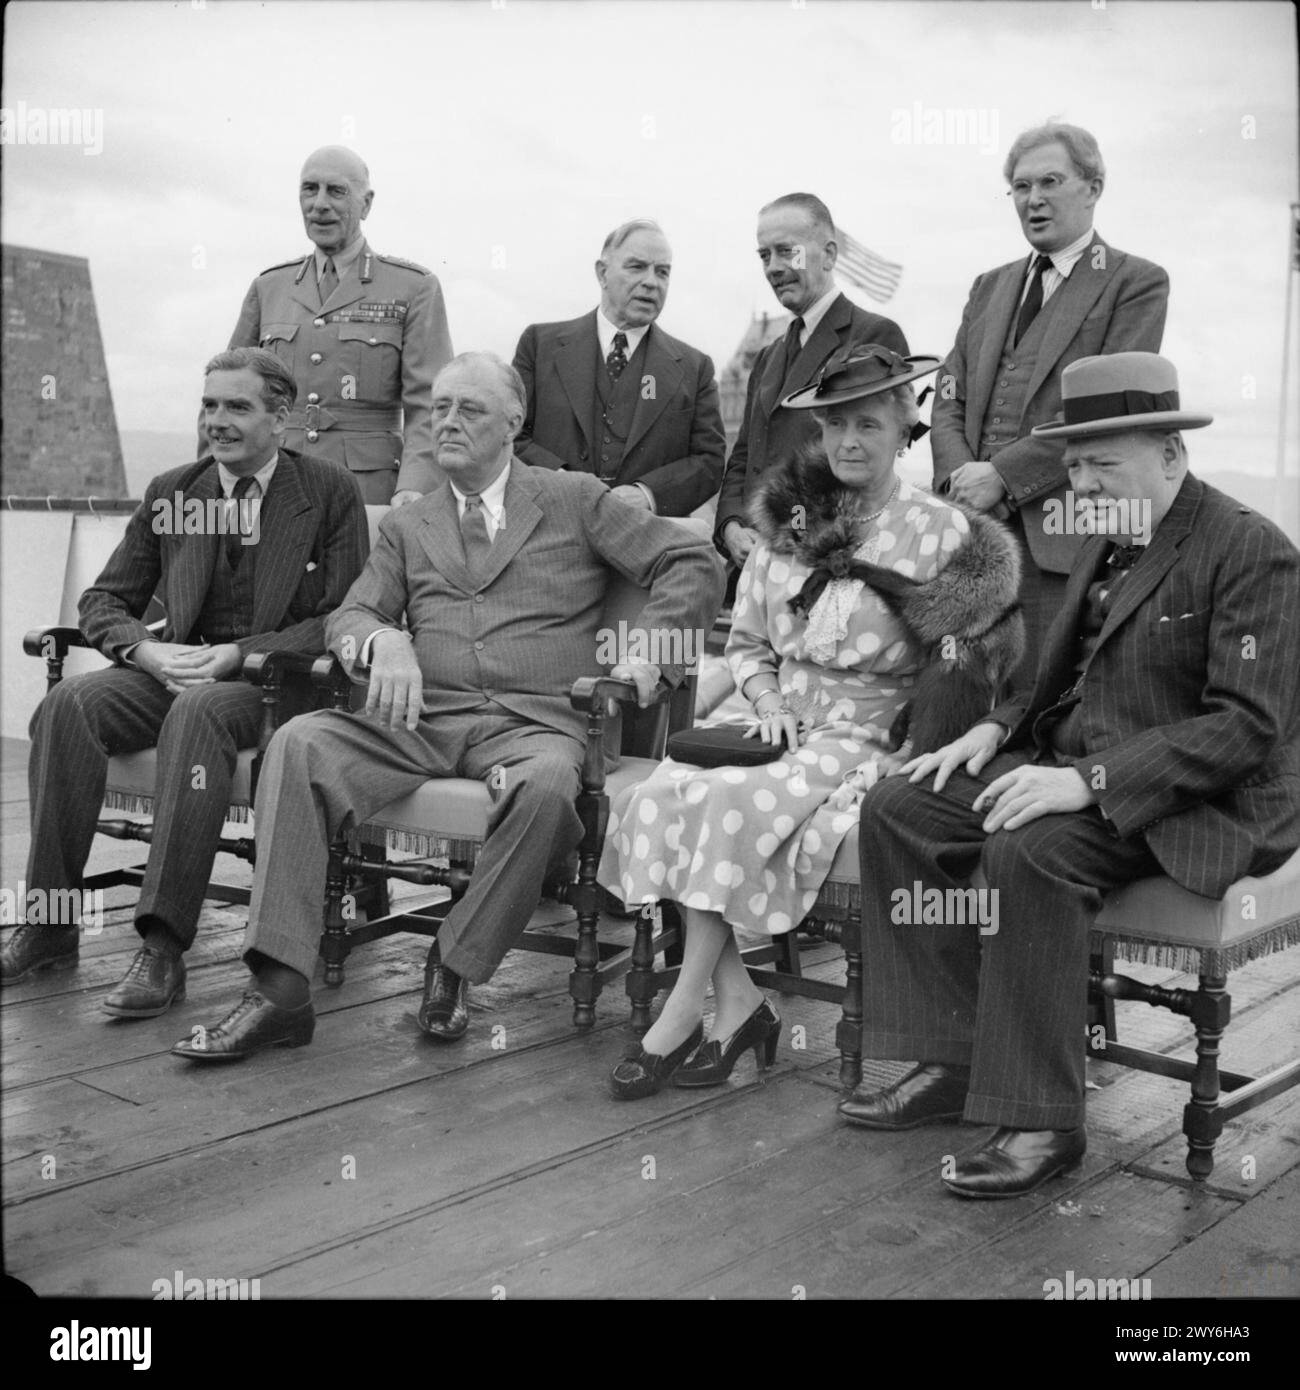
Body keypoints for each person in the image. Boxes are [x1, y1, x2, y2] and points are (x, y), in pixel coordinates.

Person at [172, 352, 724, 1062]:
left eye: (470, 409)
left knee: (550, 788)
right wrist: (382, 642)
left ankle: (454, 962)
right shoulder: (411, 524)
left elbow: (692, 563)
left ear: (514, 423)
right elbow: (352, 613)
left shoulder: (574, 498)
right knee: (301, 743)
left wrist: (648, 651)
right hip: (422, 722)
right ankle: (279, 988)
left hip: (540, 725)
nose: (448, 422)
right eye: (438, 410)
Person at [844, 352, 1300, 1199]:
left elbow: (1246, 727)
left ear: (1171, 453)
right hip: (1071, 763)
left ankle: (1045, 1118)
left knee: (1032, 850)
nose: (1083, 480)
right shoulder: (1107, 535)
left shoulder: (1252, 551)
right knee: (900, 806)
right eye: (1075, 462)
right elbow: (1056, 675)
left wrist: (1088, 780)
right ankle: (950, 1060)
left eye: (1104, 460)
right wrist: (991, 728)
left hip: (1197, 796)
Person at [598, 345, 1023, 1100]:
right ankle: (740, 1004)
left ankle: (679, 1012)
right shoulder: (789, 520)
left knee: (726, 804)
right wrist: (763, 705)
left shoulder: (942, 533)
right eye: (835, 427)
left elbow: (962, 667)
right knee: (661, 793)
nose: (850, 443)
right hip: (771, 716)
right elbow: (750, 642)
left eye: (868, 425)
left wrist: (920, 746)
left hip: (867, 731)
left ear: (906, 430)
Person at [2, 348, 370, 1015]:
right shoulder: (176, 491)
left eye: (237, 406)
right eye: (208, 406)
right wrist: (144, 651)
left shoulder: (327, 494)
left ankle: (162, 946)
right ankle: (50, 924)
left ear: (280, 419)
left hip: (276, 687)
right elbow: (103, 601)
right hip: (175, 668)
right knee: (70, 704)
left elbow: (342, 618)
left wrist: (238, 654)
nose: (217, 421)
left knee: (198, 712)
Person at [930, 122, 1168, 684]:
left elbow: (1106, 406)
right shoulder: (989, 285)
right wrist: (963, 479)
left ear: (1093, 187)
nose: (1032, 199)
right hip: (967, 536)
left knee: (1036, 705)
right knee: (955, 696)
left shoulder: (1136, 282)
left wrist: (1004, 477)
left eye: (1050, 182)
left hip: (1062, 545)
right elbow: (948, 391)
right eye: (1020, 186)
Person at [226, 146, 454, 505]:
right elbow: (228, 396)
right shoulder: (269, 287)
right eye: (309, 189)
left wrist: (415, 487)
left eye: (336, 191)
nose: (319, 204)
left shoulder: (413, 288)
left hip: (367, 493)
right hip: (274, 488)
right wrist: (217, 483)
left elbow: (430, 404)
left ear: (366, 204)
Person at [713, 193, 909, 572]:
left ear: (830, 255)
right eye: (764, 255)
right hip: (754, 568)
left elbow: (866, 461)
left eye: (787, 252)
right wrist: (731, 525)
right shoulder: (768, 356)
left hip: (823, 564)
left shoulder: (874, 336)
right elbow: (742, 457)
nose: (773, 267)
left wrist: (782, 534)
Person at [512, 220, 726, 518]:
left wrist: (647, 495)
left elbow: (709, 461)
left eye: (662, 271)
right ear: (602, 273)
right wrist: (559, 483)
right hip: (550, 540)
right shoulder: (539, 347)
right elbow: (509, 435)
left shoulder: (695, 368)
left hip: (647, 549)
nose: (652, 282)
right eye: (637, 267)